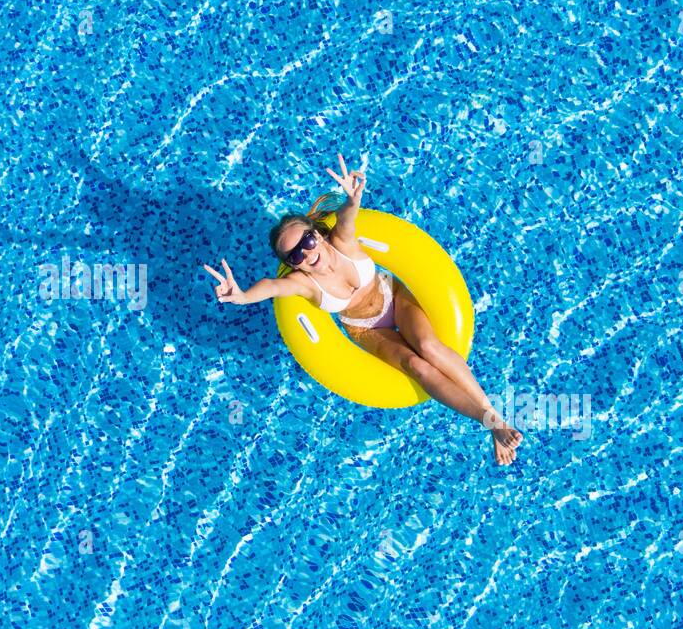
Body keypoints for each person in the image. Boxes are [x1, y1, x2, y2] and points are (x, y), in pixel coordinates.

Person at [205, 155, 523, 465]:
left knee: (429, 346)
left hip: (393, 297)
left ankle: (495, 418)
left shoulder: (342, 243)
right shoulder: (305, 285)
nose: (306, 253)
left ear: (317, 233)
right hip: (367, 329)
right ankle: (489, 425)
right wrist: (244, 296)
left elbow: (347, 217)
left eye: (307, 241)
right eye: (295, 256)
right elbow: (273, 287)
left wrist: (353, 197)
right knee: (418, 366)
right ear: (291, 264)